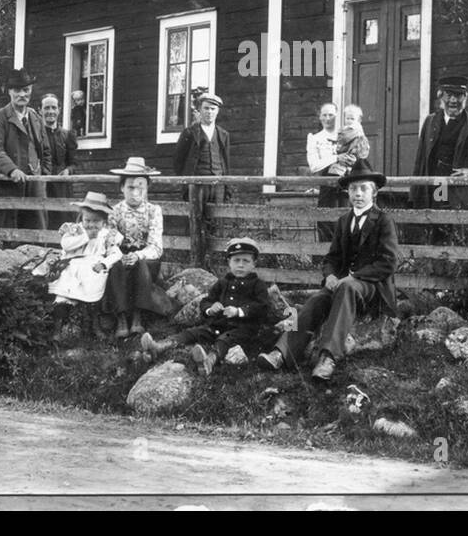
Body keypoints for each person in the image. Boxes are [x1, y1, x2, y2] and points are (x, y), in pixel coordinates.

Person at [257, 159, 399, 382]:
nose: (358, 194)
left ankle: (328, 357)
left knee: (347, 288)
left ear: (374, 193)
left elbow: (388, 263)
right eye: (353, 189)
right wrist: (331, 275)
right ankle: (281, 353)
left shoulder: (384, 221)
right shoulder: (344, 221)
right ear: (347, 192)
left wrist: (352, 277)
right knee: (317, 299)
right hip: (345, 286)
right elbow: (331, 258)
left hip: (373, 288)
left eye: (363, 188)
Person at [139, 237, 278, 375]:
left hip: (243, 329)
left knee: (224, 340)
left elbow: (261, 306)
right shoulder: (223, 282)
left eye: (246, 261)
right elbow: (206, 301)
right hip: (218, 326)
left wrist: (239, 311)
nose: (240, 265)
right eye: (236, 260)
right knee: (194, 332)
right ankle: (160, 346)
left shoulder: (257, 284)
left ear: (254, 264)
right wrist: (211, 309)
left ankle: (208, 362)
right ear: (229, 262)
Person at [34, 191, 122, 338]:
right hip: (73, 264)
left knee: (93, 286)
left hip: (94, 266)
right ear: (82, 218)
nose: (91, 225)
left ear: (104, 222)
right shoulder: (75, 230)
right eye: (87, 221)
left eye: (96, 222)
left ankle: (94, 325)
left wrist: (104, 263)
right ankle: (58, 328)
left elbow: (116, 253)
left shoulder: (107, 234)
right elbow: (66, 245)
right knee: (64, 288)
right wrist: (85, 237)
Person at [104, 156, 174, 338]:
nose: (135, 192)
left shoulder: (154, 211)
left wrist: (138, 255)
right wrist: (119, 255)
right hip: (121, 256)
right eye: (130, 187)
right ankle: (121, 317)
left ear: (147, 188)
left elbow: (156, 246)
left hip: (146, 259)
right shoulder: (114, 212)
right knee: (116, 265)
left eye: (140, 187)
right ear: (122, 188)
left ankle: (137, 316)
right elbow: (110, 242)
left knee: (141, 265)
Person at [410, 75, 468, 210]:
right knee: (437, 225)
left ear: (465, 98)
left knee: (456, 227)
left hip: (461, 195)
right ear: (440, 96)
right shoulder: (430, 122)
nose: (453, 100)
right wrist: (414, 195)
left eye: (458, 96)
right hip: (435, 189)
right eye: (449, 95)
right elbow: (420, 161)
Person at [0, 68, 52, 231]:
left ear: (31, 91)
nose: (22, 94)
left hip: (34, 188)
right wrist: (12, 170)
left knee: (37, 232)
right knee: (8, 234)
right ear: (9, 92)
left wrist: (43, 176)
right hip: (8, 186)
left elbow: (46, 151)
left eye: (26, 90)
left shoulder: (35, 118)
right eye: (17, 90)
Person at [173, 90, 229, 203]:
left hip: (218, 185)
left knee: (217, 218)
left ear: (217, 111)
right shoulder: (189, 133)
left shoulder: (223, 135)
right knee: (196, 217)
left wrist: (226, 185)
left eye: (213, 109)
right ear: (200, 110)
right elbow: (178, 161)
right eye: (206, 108)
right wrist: (187, 182)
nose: (209, 112)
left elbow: (226, 162)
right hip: (196, 185)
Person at [306, 101, 342, 239]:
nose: (328, 118)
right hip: (327, 189)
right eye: (324, 115)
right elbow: (314, 165)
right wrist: (336, 158)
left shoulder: (345, 136)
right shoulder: (315, 138)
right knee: (326, 225)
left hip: (346, 186)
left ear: (337, 116)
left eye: (331, 115)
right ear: (320, 117)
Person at [40, 93, 81, 197]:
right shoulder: (35, 135)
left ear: (59, 110)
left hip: (62, 188)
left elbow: (74, 164)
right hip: (41, 187)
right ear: (40, 110)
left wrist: (68, 171)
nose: (50, 111)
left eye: (54, 108)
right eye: (46, 108)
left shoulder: (68, 135)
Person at [328, 103, 370, 176]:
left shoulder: (356, 130)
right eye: (347, 118)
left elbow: (345, 139)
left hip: (352, 152)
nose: (349, 121)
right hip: (343, 152)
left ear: (358, 120)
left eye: (352, 119)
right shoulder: (344, 129)